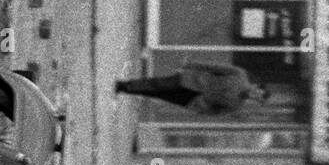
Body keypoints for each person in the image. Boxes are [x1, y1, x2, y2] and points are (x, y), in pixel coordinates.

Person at [115, 63, 269, 115]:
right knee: (160, 84)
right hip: (192, 80)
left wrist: (200, 109)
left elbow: (215, 113)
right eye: (257, 92)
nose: (254, 95)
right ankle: (125, 85)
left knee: (160, 94)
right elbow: (213, 66)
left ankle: (129, 89)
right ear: (256, 86)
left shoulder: (236, 106)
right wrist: (191, 65)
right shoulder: (240, 74)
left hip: (192, 100)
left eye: (257, 98)